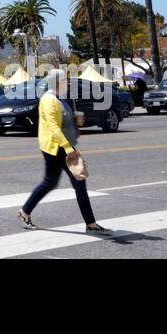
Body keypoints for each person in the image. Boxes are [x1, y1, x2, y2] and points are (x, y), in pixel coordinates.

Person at [18, 69, 109, 233]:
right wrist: (68, 149)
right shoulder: (48, 100)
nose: (67, 83)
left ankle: (25, 211)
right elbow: (53, 126)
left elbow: (62, 120)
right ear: (57, 82)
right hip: (57, 148)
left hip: (64, 146)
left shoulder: (59, 98)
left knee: (55, 182)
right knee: (71, 181)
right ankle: (91, 224)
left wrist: (75, 120)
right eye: (65, 80)